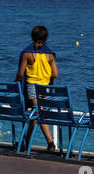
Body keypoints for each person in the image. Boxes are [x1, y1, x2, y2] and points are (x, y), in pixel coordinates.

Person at [17, 25, 61, 154]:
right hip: (45, 88)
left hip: (32, 87)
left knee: (38, 113)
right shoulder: (50, 55)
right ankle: (28, 141)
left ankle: (49, 142)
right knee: (37, 114)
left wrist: (17, 81)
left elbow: (20, 74)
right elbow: (55, 74)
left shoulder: (27, 53)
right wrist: (44, 73)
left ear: (32, 36)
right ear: (46, 37)